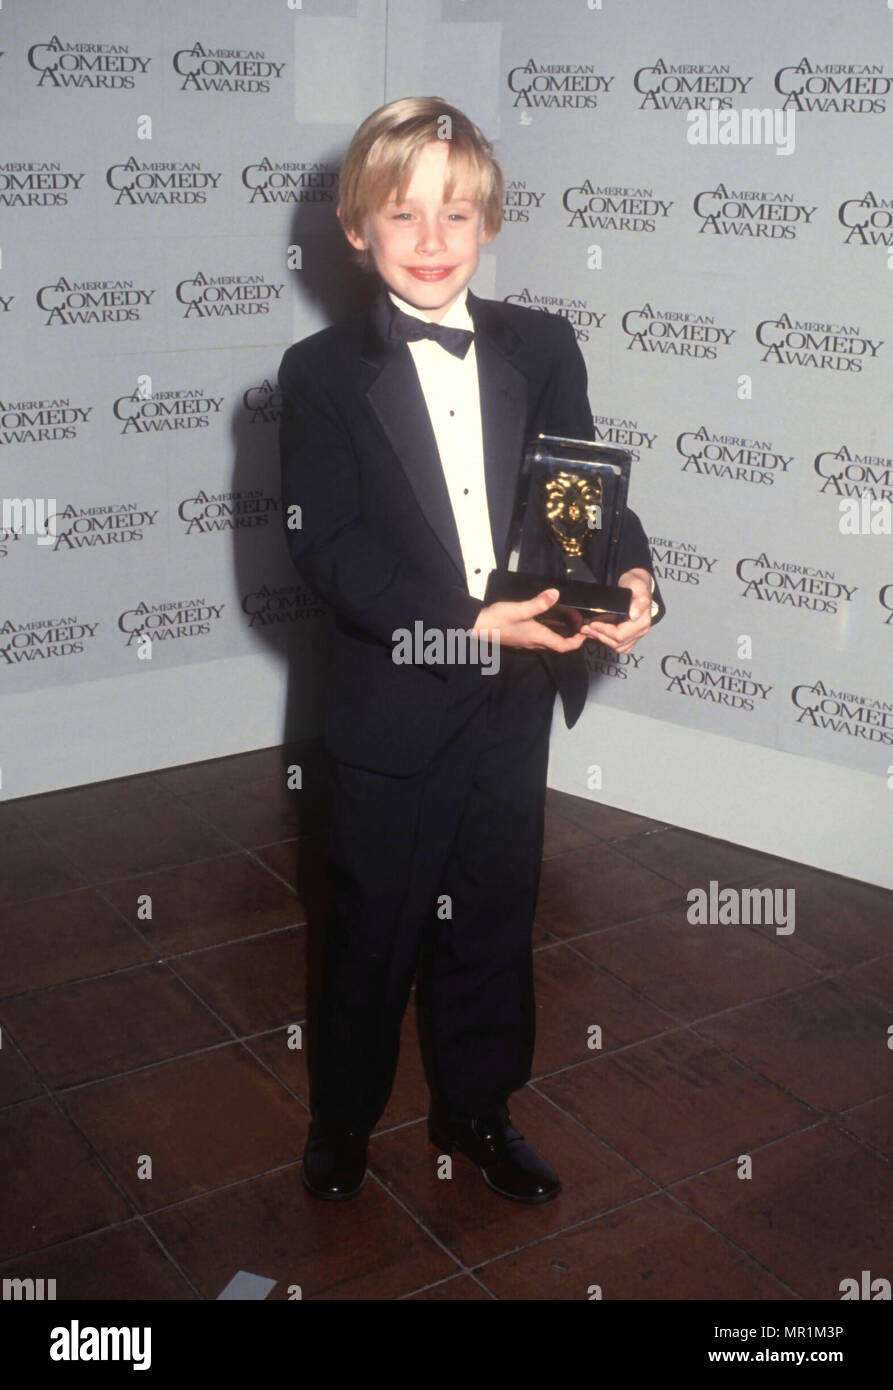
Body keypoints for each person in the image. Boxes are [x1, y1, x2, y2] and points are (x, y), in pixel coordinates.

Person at [278, 96, 665, 1204]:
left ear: (489, 218)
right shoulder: (316, 375)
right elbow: (331, 552)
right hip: (387, 709)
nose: (435, 239)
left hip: (510, 703)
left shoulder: (542, 345)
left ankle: (479, 1109)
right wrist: (458, 619)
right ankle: (344, 1121)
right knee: (369, 927)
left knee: (492, 910)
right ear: (356, 228)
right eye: (404, 216)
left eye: (456, 212)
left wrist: (633, 575)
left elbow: (583, 505)